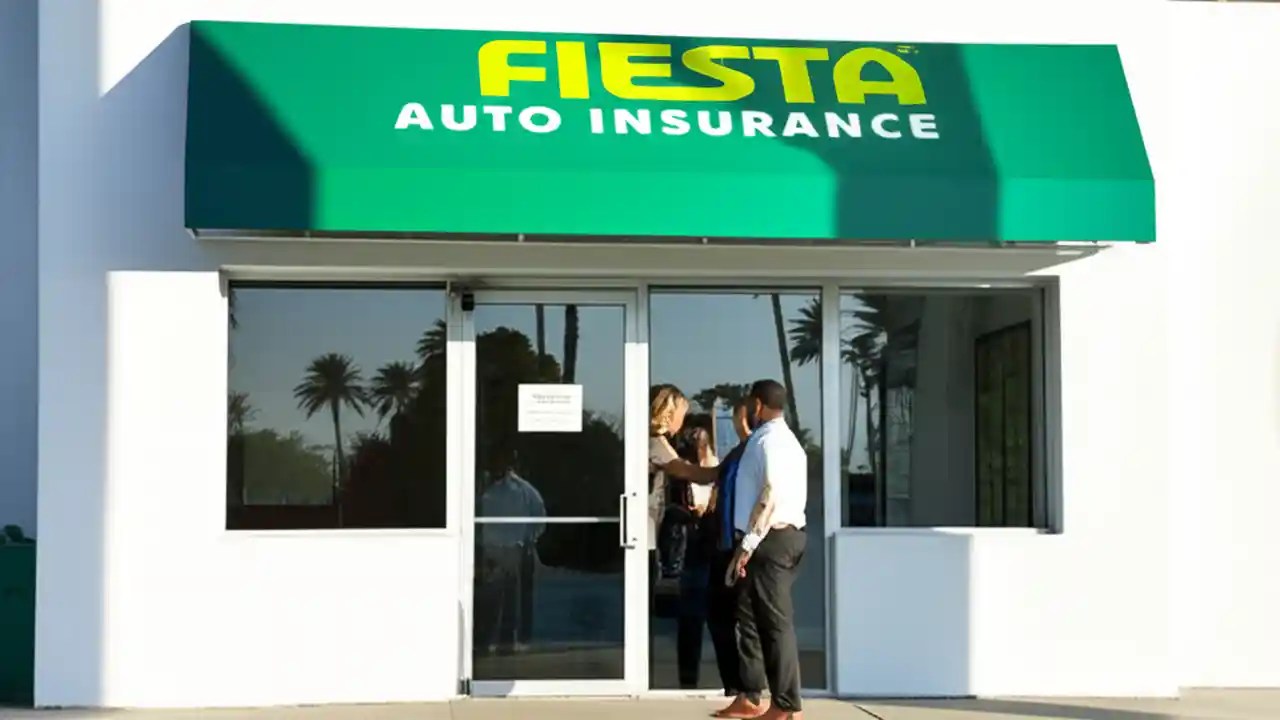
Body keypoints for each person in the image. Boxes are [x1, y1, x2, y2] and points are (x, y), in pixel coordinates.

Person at [721, 380, 809, 720]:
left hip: (770, 540)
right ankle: (750, 695)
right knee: (747, 616)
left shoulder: (772, 442)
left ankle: (787, 706)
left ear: (757, 405)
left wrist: (747, 545)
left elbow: (770, 496)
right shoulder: (773, 440)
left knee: (775, 624)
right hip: (767, 538)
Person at [706, 399, 759, 714]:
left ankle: (749, 693)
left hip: (741, 546)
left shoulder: (755, 451)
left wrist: (747, 546)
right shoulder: (740, 452)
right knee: (720, 615)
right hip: (726, 544)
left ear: (744, 417)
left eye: (737, 413)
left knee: (744, 619)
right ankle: (739, 688)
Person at [475, 445, 546, 655]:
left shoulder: (524, 491)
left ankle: (510, 643)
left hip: (513, 549)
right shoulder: (484, 488)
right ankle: (487, 643)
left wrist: (527, 542)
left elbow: (540, 518)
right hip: (491, 549)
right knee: (490, 601)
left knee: (513, 601)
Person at [671, 423, 719, 689]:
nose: (699, 452)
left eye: (701, 445)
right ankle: (687, 681)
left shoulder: (718, 469)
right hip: (690, 551)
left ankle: (730, 682)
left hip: (711, 550)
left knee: (718, 618)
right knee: (689, 621)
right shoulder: (681, 472)